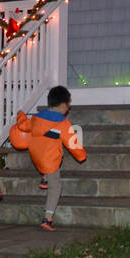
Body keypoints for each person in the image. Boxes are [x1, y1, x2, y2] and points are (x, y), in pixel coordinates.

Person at [13, 85, 86, 231]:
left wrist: (20, 114)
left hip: (36, 155)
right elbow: (72, 142)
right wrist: (81, 155)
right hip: (49, 160)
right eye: (68, 105)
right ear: (64, 104)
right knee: (56, 187)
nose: (68, 109)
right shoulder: (62, 123)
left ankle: (44, 178)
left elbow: (23, 125)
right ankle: (48, 217)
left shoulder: (35, 118)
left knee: (56, 148)